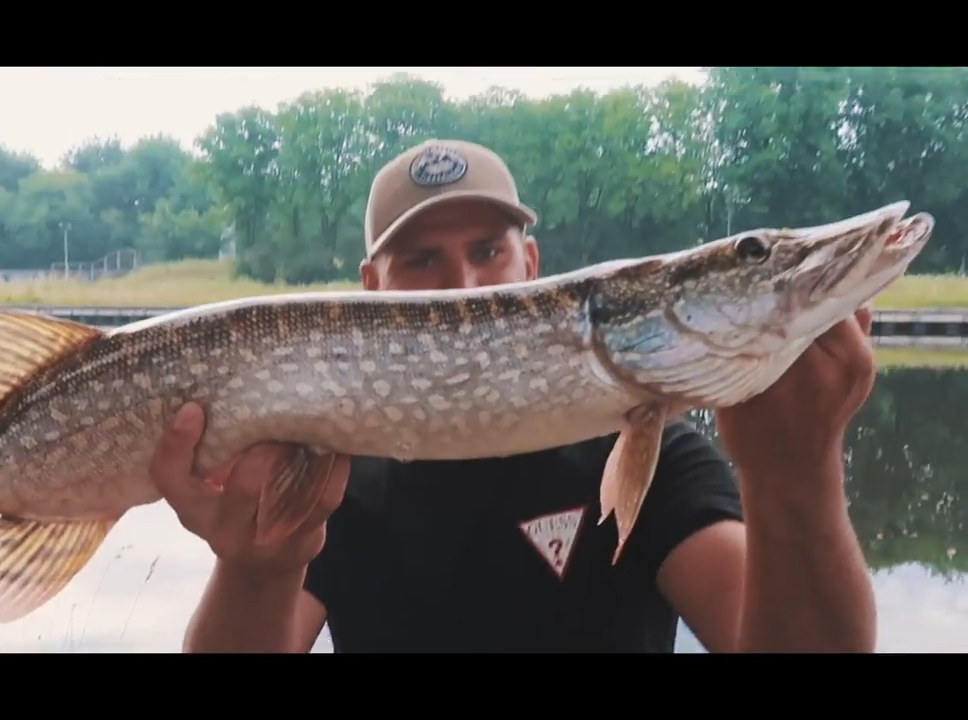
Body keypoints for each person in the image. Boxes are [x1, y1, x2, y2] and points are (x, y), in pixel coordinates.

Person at [150, 139, 879, 653]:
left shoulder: (654, 457)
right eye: (422, 260)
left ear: (531, 263)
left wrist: (798, 476)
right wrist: (257, 567)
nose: (463, 286)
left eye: (488, 251)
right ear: (371, 289)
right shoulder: (328, 477)